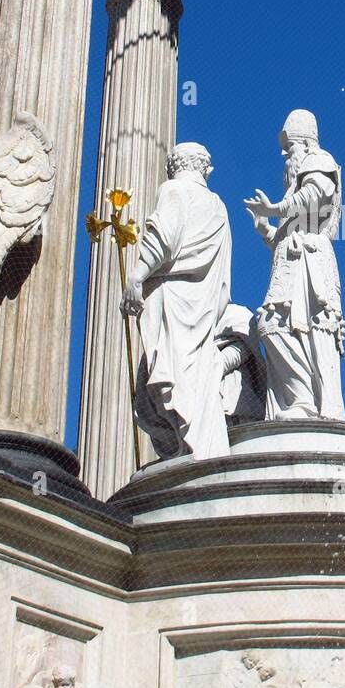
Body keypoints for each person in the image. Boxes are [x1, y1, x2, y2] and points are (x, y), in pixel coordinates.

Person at [124, 142, 232, 460]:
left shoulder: (173, 190)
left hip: (171, 299)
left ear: (171, 166)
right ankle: (197, 448)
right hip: (203, 305)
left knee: (164, 381)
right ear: (206, 169)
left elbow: (163, 238)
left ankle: (185, 450)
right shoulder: (219, 207)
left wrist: (137, 276)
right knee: (194, 376)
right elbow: (223, 279)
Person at [243, 110, 345, 421]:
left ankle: (313, 403)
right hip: (293, 260)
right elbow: (287, 232)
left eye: (289, 147)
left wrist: (275, 208)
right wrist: (266, 229)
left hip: (310, 260)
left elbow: (317, 195)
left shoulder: (321, 161)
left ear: (306, 143)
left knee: (312, 329)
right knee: (275, 325)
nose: (284, 155)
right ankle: (300, 399)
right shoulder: (294, 189)